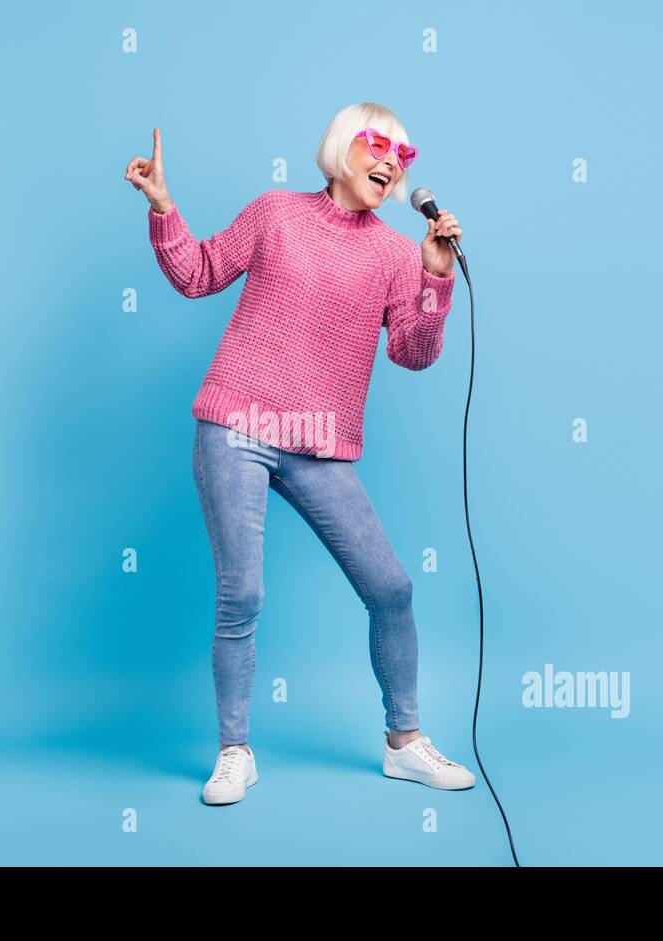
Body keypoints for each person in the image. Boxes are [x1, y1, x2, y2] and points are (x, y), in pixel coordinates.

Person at [125, 102, 477, 805]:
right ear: (343, 147)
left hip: (320, 442)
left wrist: (435, 279)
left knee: (392, 589)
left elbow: (412, 353)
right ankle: (234, 752)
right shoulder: (276, 212)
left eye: (404, 157)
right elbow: (197, 274)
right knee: (242, 594)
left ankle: (404, 744)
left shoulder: (391, 253)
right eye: (379, 146)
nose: (392, 163)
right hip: (237, 424)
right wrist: (164, 207)